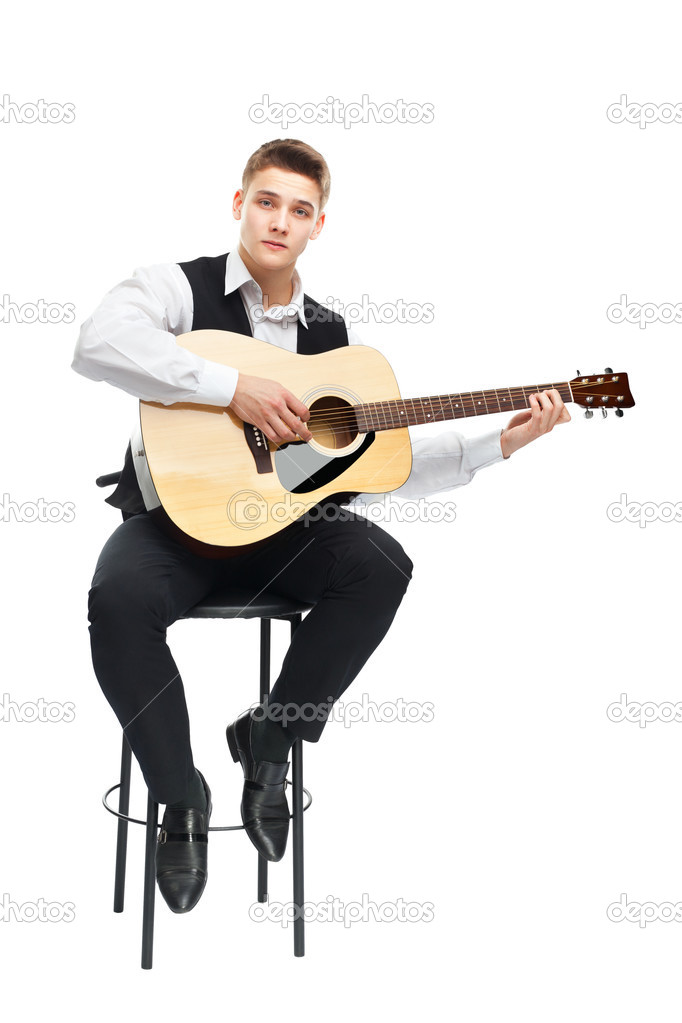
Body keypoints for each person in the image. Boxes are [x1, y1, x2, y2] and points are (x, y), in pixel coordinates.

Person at [72, 138, 570, 915]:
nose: (279, 220)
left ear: (318, 225)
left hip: (279, 537)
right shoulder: (174, 288)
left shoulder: (333, 342)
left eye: (298, 209)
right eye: (266, 201)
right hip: (174, 527)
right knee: (117, 603)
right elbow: (98, 342)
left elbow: (378, 466)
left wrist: (498, 443)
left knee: (380, 562)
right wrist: (232, 387)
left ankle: (272, 734)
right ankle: (183, 799)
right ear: (240, 204)